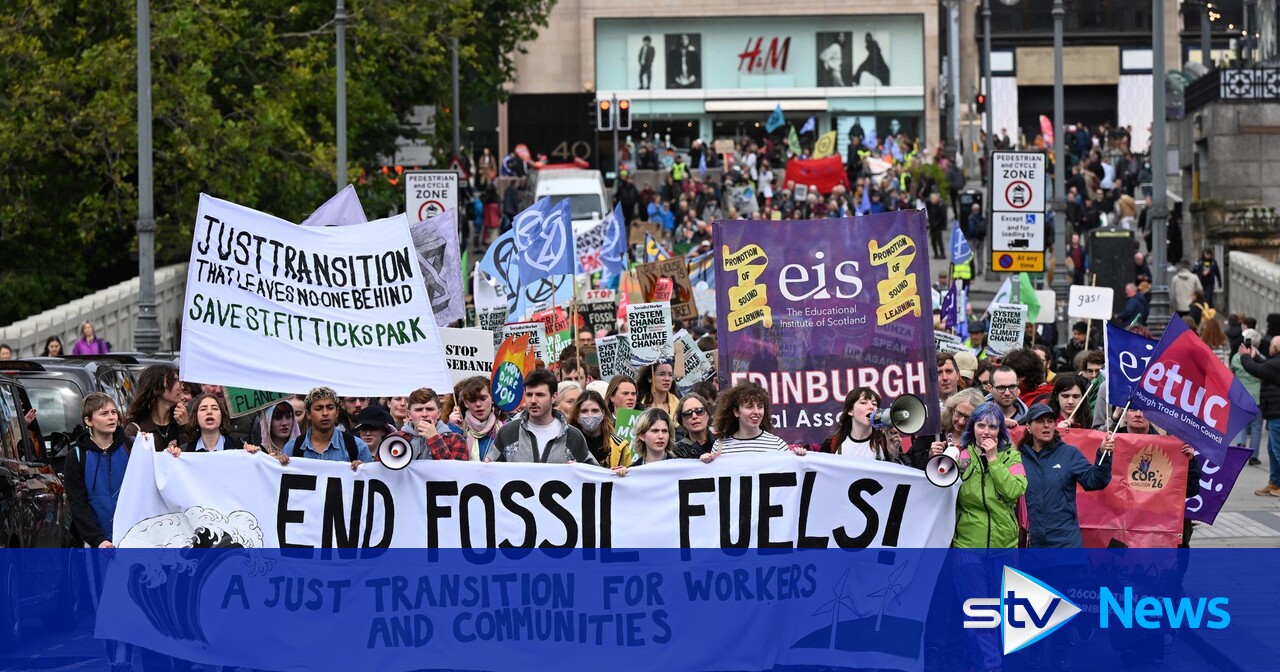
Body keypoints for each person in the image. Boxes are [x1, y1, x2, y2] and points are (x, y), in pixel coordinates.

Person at [62, 392, 133, 670]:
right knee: (105, 601)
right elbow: (78, 505)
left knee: (129, 598)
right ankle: (114, 656)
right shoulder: (76, 456)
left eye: (114, 412)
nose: (112, 417)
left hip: (131, 539)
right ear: (88, 421)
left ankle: (125, 656)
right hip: (99, 543)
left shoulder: (130, 447)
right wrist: (98, 539)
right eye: (104, 413)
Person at [1018, 403, 1112, 547]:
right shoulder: (1017, 458)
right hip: (1031, 545)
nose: (1046, 425)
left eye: (1050, 421)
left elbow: (1096, 481)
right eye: (1040, 421)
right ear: (1028, 427)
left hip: (1065, 543)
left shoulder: (1069, 453)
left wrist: (1104, 454)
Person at [938, 401, 1027, 549]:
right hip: (967, 544)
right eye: (981, 426)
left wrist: (993, 460)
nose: (986, 432)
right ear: (972, 428)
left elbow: (1015, 491)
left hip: (1004, 545)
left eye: (992, 427)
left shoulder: (1011, 456)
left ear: (1000, 430)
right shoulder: (961, 455)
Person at [492, 369, 597, 464]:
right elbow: (490, 471)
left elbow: (593, 473)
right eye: (529, 395)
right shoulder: (508, 433)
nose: (533, 400)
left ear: (554, 397)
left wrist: (578, 469)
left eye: (540, 395)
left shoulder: (573, 436)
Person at [703, 382, 805, 459]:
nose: (756, 411)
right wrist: (705, 462)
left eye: (760, 407)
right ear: (736, 412)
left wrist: (800, 458)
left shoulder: (777, 445)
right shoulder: (719, 446)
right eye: (749, 407)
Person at [280, 387, 371, 470]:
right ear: (308, 414)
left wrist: (363, 471)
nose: (325, 413)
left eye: (330, 408)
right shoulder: (292, 448)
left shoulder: (357, 447)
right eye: (318, 408)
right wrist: (278, 463)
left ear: (337, 412)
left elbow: (370, 478)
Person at [815, 387, 905, 462]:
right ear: (850, 411)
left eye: (874, 404)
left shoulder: (886, 441)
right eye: (863, 403)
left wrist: (893, 454)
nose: (871, 407)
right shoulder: (832, 444)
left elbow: (900, 474)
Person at [1239, 336, 1280, 495]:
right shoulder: (1275, 363)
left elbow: (1257, 370)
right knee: (1272, 450)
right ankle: (1274, 483)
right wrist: (1255, 356)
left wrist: (1245, 356)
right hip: (1274, 413)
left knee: (1277, 451)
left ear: (1276, 348)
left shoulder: (1276, 364)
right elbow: (1265, 366)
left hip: (1277, 414)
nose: (1269, 347)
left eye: (1271, 345)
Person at [169, 393, 270, 456]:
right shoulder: (185, 452)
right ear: (196, 418)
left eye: (214, 408)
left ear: (222, 416)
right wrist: (173, 456)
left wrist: (255, 454)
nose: (209, 412)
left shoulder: (239, 447)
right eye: (203, 409)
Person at [914, 388, 986, 470]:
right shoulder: (934, 432)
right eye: (958, 414)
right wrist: (929, 455)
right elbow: (911, 463)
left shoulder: (981, 441)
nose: (961, 422)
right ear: (951, 410)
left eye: (968, 418)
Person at [123, 364, 188, 451]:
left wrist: (184, 427)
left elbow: (192, 455)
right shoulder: (136, 429)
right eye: (173, 381)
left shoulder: (182, 420)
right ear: (156, 388)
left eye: (178, 381)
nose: (180, 387)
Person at [447, 376, 505, 461]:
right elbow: (447, 459)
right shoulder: (457, 427)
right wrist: (454, 428)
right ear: (466, 403)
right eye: (472, 400)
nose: (478, 404)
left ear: (492, 398)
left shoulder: (505, 427)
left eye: (483, 398)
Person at [1230, 328, 1265, 465]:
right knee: (1256, 427)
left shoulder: (1236, 358)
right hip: (1256, 395)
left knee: (1241, 424)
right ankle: (1253, 455)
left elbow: (1231, 374)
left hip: (1241, 396)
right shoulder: (1260, 358)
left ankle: (1241, 444)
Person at [403, 388, 468, 461]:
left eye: (430, 409)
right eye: (418, 410)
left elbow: (455, 468)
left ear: (439, 413)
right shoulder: (398, 437)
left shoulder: (455, 440)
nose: (424, 414)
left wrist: (434, 439)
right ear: (409, 415)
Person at [568, 390, 609, 464]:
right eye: (584, 411)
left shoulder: (618, 446)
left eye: (595, 410)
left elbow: (627, 469)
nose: (590, 415)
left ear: (603, 412)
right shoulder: (566, 443)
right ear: (577, 414)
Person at [672, 393, 714, 458]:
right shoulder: (676, 452)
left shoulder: (723, 443)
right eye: (687, 414)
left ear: (708, 415)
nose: (694, 416)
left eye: (699, 411)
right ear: (682, 421)